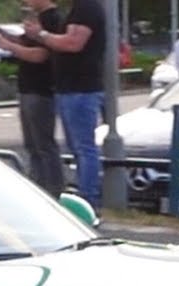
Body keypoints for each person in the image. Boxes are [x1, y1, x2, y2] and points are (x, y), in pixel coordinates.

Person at [24, 0, 106, 207]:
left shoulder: (86, 8)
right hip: (69, 88)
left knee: (84, 147)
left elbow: (72, 43)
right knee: (77, 146)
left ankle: (89, 197)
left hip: (81, 88)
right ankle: (84, 192)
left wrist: (41, 35)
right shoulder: (77, 9)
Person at [0, 0, 65, 197]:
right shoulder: (38, 19)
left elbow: (40, 55)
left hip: (40, 89)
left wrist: (10, 46)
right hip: (28, 88)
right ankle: (38, 186)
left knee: (43, 144)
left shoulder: (51, 20)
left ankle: (52, 189)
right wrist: (11, 39)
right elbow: (29, 45)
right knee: (32, 145)